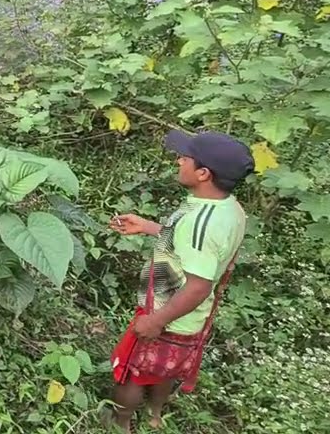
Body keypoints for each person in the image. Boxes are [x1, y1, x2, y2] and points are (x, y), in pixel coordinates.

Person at [107, 130, 254, 433]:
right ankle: (155, 414)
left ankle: (119, 422)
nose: (178, 161)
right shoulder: (228, 209)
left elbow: (198, 284)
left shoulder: (202, 223)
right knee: (164, 370)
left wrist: (156, 320)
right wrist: (149, 227)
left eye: (185, 158)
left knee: (131, 372)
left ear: (203, 173)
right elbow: (196, 248)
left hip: (171, 312)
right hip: (192, 319)